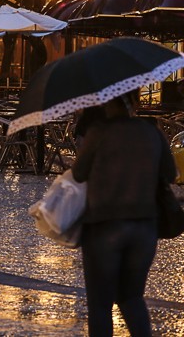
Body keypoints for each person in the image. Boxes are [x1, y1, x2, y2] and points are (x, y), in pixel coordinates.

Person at [71, 90, 176, 336]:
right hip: (144, 226)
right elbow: (170, 174)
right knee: (132, 297)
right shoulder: (152, 132)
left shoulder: (99, 133)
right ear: (135, 102)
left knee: (101, 303)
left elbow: (78, 173)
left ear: (107, 101)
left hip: (104, 224)